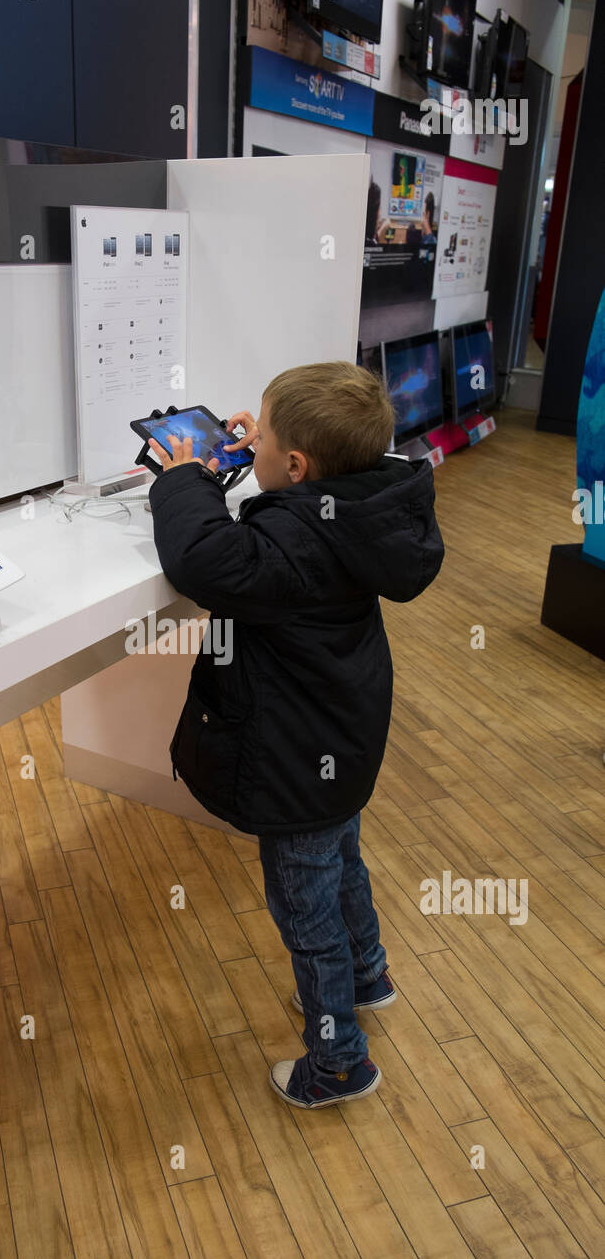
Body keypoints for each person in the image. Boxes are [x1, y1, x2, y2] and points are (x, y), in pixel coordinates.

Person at [147, 363, 444, 1109]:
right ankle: (368, 974)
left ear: (299, 465)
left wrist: (184, 478)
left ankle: (340, 1060)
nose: (256, 439)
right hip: (337, 742)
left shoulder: (297, 537)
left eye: (266, 435)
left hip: (291, 757)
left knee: (304, 910)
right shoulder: (362, 506)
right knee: (342, 861)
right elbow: (287, 532)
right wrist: (259, 463)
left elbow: (205, 561)